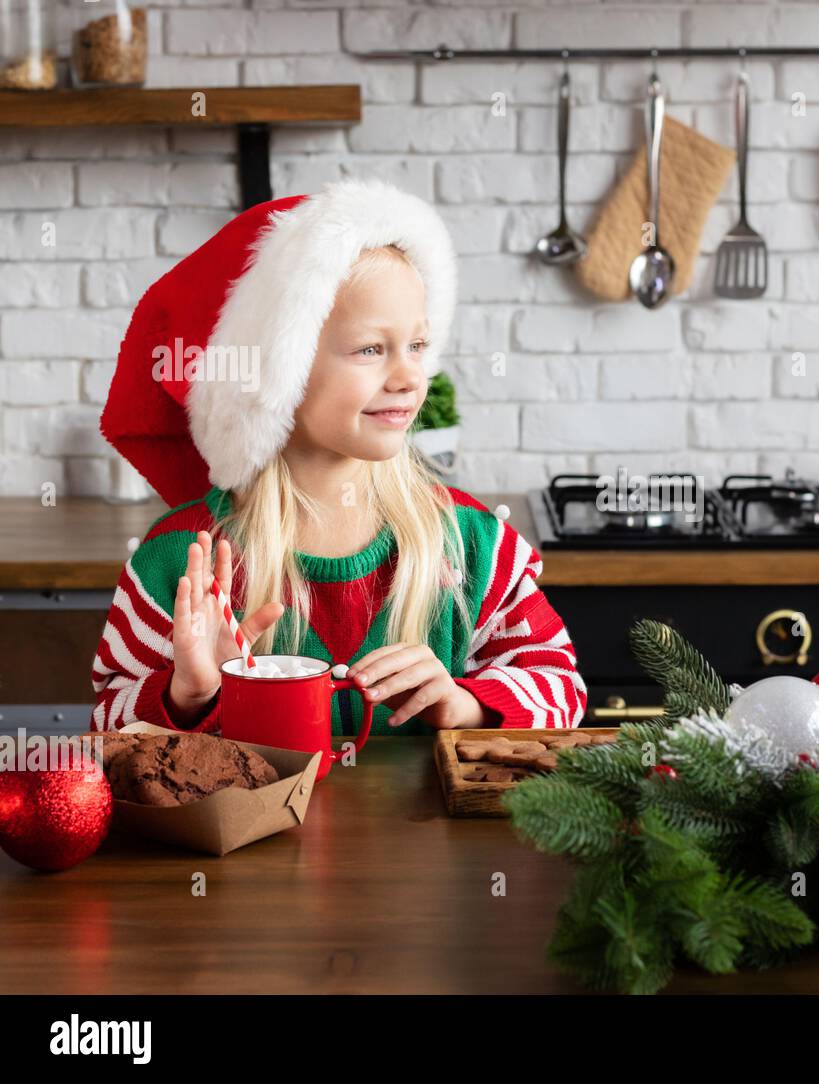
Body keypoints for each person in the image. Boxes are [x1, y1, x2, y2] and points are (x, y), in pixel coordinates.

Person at [92, 179, 586, 736]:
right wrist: (189, 693)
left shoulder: (471, 543)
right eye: (371, 349)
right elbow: (107, 724)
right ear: (278, 374)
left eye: (418, 346)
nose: (408, 378)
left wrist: (464, 703)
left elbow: (561, 687)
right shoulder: (182, 564)